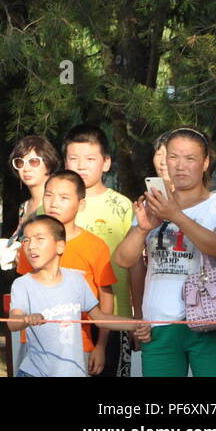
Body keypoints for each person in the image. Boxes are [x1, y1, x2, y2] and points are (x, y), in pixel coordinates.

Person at [114, 128, 216, 377]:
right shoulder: (154, 205)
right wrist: (142, 229)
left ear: (205, 163)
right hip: (159, 324)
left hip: (212, 322)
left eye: (190, 158)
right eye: (173, 157)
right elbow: (123, 259)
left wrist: (175, 215)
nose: (180, 166)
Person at [8, 216, 149, 377]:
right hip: (34, 373)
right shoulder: (22, 284)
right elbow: (13, 322)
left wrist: (136, 325)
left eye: (39, 239)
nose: (31, 246)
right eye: (26, 240)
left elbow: (99, 317)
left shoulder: (76, 280)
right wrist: (25, 319)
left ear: (60, 247)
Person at [13, 170, 117, 374]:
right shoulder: (31, 246)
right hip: (33, 347)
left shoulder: (95, 246)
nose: (53, 203)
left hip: (78, 347)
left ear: (81, 204)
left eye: (64, 197)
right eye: (49, 195)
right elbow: (23, 296)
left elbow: (105, 298)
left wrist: (101, 345)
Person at [62, 123, 134, 376]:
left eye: (90, 159)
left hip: (112, 317)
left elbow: (135, 263)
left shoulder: (123, 206)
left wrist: (137, 316)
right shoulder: (51, 205)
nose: (81, 166)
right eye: (74, 158)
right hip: (61, 316)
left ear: (106, 162)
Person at [0, 136, 59, 269]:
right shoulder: (24, 207)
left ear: (48, 163)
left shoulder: (55, 204)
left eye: (34, 162)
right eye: (20, 163)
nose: (26, 168)